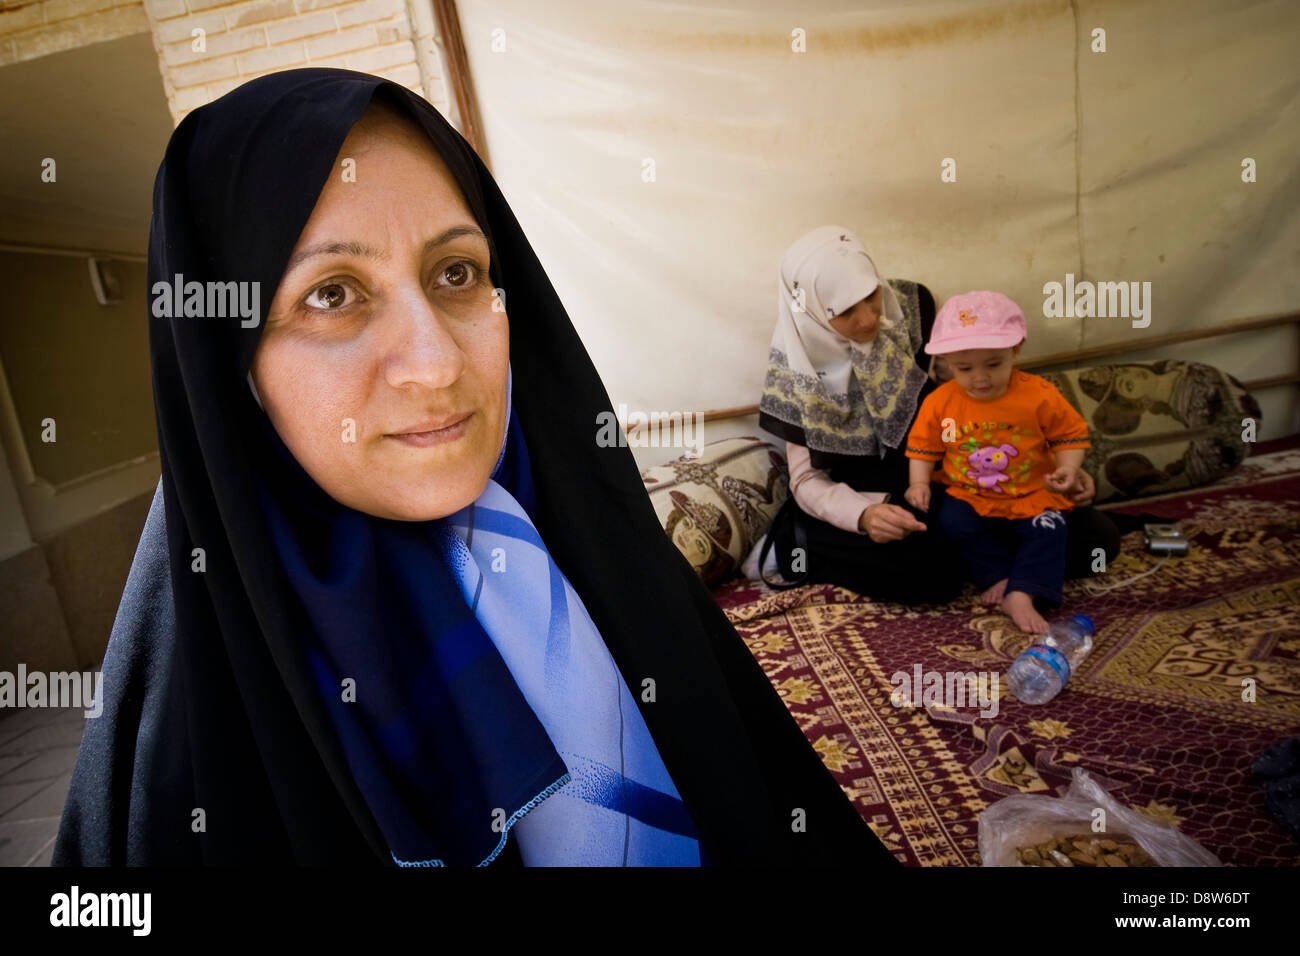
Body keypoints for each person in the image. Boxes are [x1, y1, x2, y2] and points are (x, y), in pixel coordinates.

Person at [52, 69, 893, 867]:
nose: (437, 363)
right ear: (227, 364)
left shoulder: (587, 528)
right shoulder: (188, 724)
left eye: (457, 273)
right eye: (333, 294)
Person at [758, 227, 1118, 603]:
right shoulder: (794, 372)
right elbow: (806, 480)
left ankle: (988, 563)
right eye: (846, 311)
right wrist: (863, 516)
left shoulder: (915, 310)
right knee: (931, 575)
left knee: (1096, 539)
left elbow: (981, 396)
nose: (867, 320)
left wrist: (1056, 469)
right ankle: (800, 544)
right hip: (874, 497)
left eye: (870, 296)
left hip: (954, 484)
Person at [904, 291, 1092, 634]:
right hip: (970, 495)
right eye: (964, 368)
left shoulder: (1037, 396)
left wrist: (1068, 468)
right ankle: (999, 576)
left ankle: (1022, 591)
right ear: (946, 361)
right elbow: (927, 448)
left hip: (1033, 494)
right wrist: (918, 483)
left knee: (1052, 528)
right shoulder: (942, 404)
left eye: (993, 365)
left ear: (1015, 351)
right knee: (952, 522)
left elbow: (1068, 436)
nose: (980, 378)